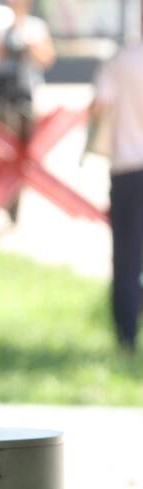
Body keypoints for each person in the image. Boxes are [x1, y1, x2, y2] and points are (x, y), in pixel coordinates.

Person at [91, 15, 143, 355]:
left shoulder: (121, 61)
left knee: (126, 257)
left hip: (127, 168)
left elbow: (98, 107)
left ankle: (126, 338)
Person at [0, 0, 56, 223]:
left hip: (26, 94)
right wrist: (5, 47)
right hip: (2, 94)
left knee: (24, 152)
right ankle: (6, 201)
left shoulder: (35, 27)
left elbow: (47, 58)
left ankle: (15, 203)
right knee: (4, 150)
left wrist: (30, 47)